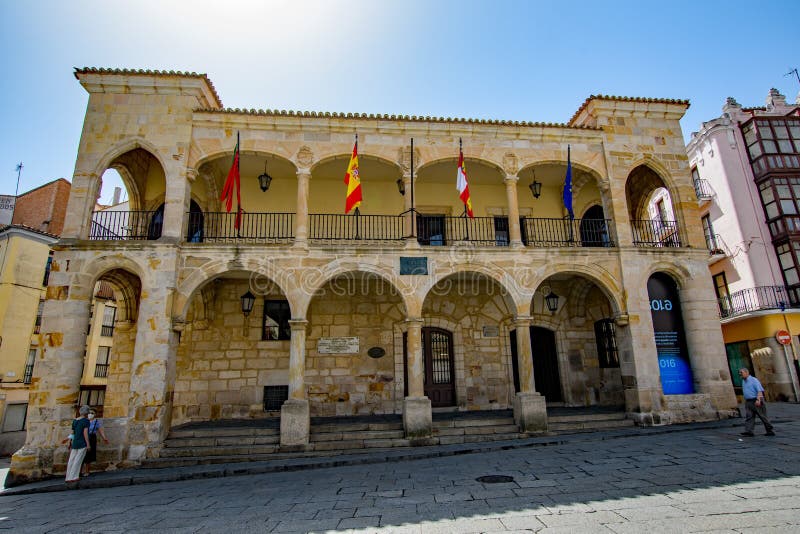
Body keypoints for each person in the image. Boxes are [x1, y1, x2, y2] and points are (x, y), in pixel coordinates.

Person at [739, 368, 775, 437]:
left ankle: (769, 429)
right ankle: (749, 431)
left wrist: (758, 400)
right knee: (749, 416)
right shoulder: (743, 381)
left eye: (741, 372)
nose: (740, 374)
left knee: (762, 416)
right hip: (748, 401)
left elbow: (759, 391)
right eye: (739, 373)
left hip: (756, 400)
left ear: (747, 372)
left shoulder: (754, 380)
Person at [65, 405, 91, 483]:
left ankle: (68, 477)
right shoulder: (86, 421)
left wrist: (69, 441)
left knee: (71, 460)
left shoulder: (75, 421)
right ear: (87, 413)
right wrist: (88, 444)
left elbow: (72, 433)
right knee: (78, 460)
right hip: (82, 443)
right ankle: (74, 476)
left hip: (75, 442)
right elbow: (85, 433)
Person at [81, 408, 109, 477]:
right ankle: (79, 471)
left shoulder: (96, 422)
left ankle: (87, 471)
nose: (90, 414)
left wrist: (104, 438)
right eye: (89, 413)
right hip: (83, 438)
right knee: (81, 454)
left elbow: (100, 430)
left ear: (95, 414)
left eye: (92, 413)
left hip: (92, 438)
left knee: (89, 455)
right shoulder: (84, 421)